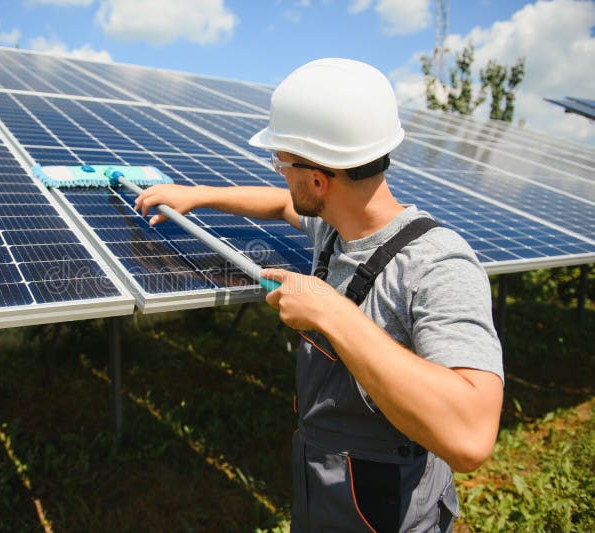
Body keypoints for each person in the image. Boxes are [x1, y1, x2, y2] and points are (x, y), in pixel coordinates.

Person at [135, 58, 503, 532]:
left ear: (317, 180)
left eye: (281, 163)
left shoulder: (437, 264)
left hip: (389, 507)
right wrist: (198, 193)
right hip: (321, 481)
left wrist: (333, 313)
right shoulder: (334, 225)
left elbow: (471, 437)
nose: (279, 174)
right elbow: (280, 202)